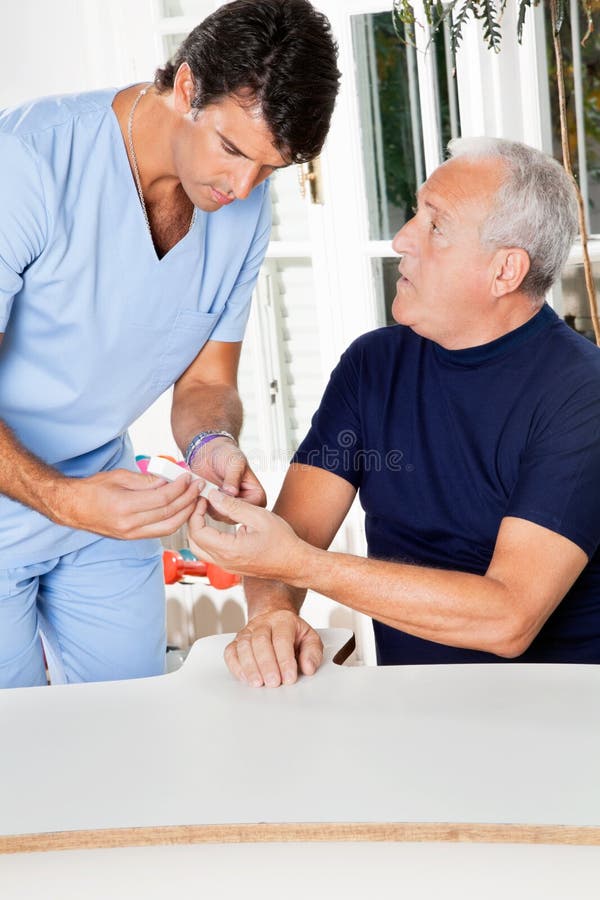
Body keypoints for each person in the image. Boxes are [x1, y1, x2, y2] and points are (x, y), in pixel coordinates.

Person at [0, 0, 340, 689]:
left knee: (131, 728)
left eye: (267, 170)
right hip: (22, 485)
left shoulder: (239, 206)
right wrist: (64, 499)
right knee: (20, 753)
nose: (242, 187)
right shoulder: (27, 162)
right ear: (186, 88)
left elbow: (207, 382)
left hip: (104, 491)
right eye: (234, 151)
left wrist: (211, 446)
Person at [188, 136, 600, 687]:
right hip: (408, 710)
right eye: (415, 214)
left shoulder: (582, 395)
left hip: (554, 722)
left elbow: (509, 617)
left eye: (436, 226)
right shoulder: (373, 366)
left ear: (505, 271)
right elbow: (290, 533)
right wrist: (273, 613)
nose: (402, 238)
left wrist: (297, 564)